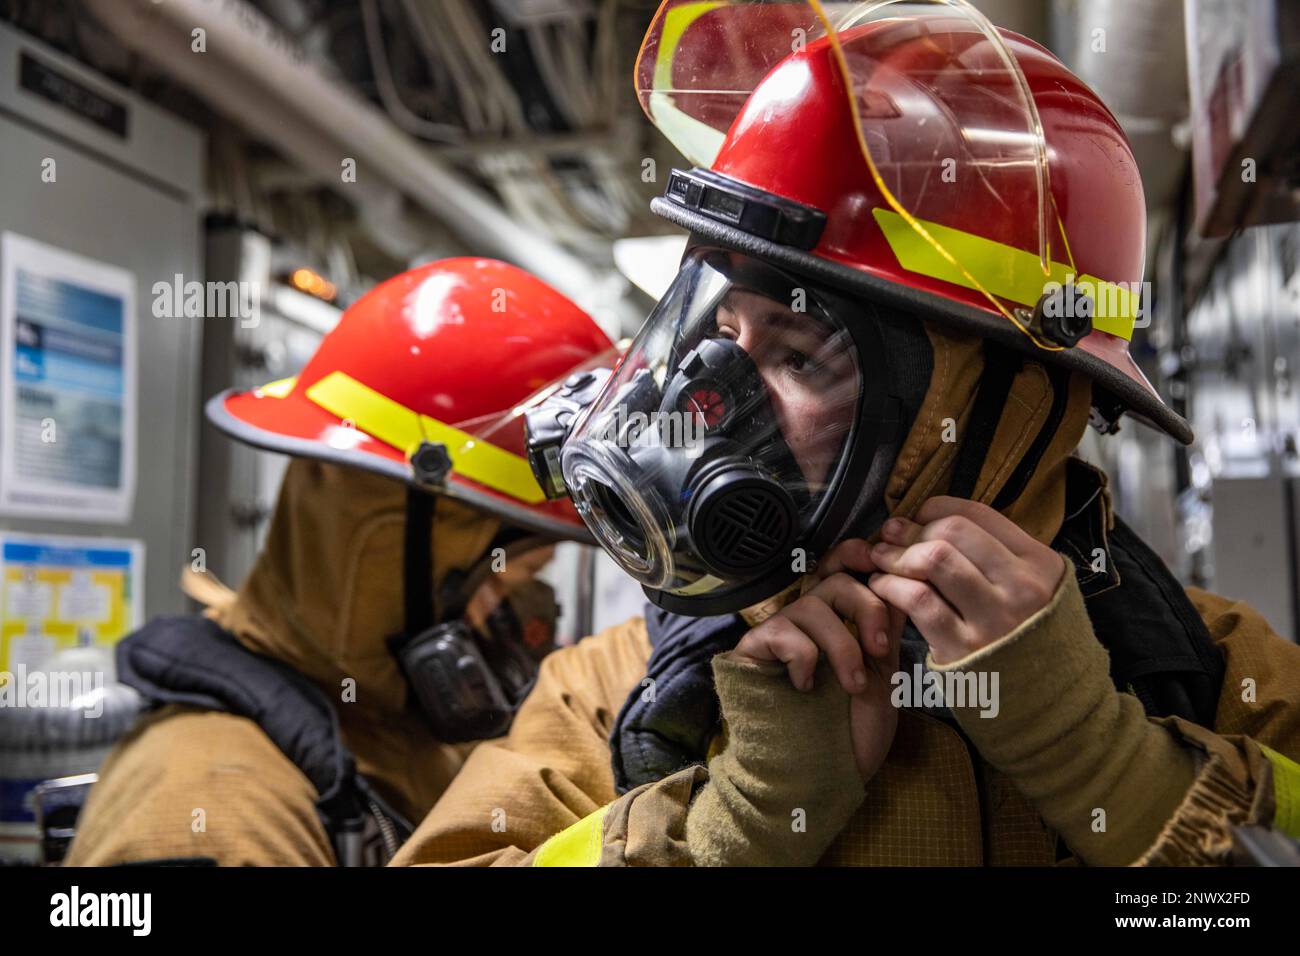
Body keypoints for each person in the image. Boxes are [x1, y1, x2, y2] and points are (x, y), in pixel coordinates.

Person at [391, 3, 1300, 867]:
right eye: (717, 338)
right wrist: (729, 824)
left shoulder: (1211, 667)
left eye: (800, 359)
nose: (707, 403)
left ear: (1026, 406)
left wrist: (1113, 767)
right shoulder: (620, 691)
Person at [65, 257, 613, 866]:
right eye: (515, 575)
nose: (525, 626)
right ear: (386, 542)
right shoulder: (213, 815)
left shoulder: (396, 738)